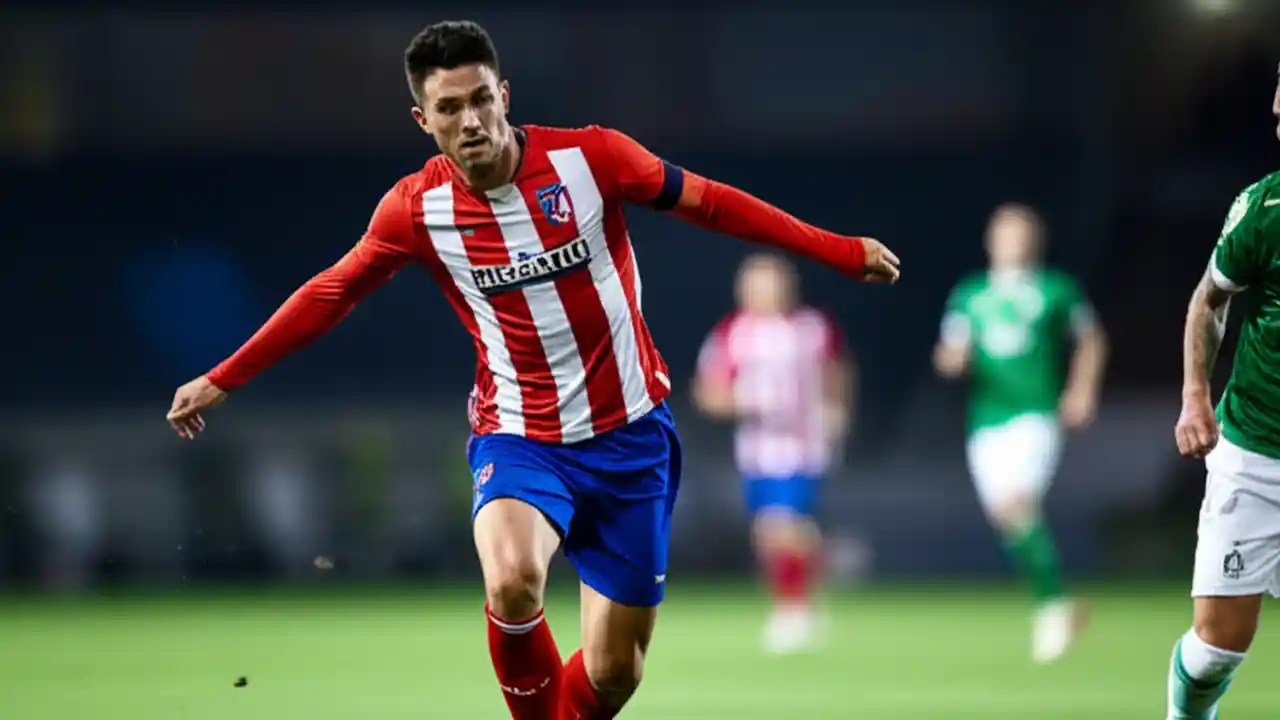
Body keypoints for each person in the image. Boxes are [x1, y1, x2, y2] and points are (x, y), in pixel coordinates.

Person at [165, 20, 900, 720]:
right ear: (423, 121)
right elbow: (330, 293)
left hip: (633, 436)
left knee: (615, 674)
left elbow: (711, 204)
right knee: (513, 579)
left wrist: (836, 249)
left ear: (505, 95)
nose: (471, 120)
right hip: (519, 436)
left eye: (481, 99)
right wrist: (225, 376)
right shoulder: (416, 211)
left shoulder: (593, 160)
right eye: (448, 108)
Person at [933, 202, 1107, 664]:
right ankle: (1059, 606)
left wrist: (1081, 389)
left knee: (1016, 505)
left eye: (1020, 234)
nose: (1012, 242)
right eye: (1004, 233)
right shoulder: (970, 294)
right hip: (986, 419)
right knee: (1010, 519)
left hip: (1036, 414)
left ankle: (1051, 610)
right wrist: (952, 360)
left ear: (1035, 241)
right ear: (991, 240)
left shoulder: (1057, 290)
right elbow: (951, 348)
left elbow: (1091, 339)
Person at [1166, 66, 1280, 720]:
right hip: (1258, 452)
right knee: (1215, 650)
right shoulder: (1264, 209)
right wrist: (1194, 395)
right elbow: (1210, 300)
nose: (1274, 106)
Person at [692, 253, 852, 654]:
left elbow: (837, 371)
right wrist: (740, 402)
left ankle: (795, 610)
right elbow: (707, 392)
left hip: (804, 447)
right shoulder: (732, 333)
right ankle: (803, 591)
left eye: (772, 282)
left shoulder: (811, 327)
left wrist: (838, 412)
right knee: (767, 537)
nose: (764, 291)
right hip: (757, 451)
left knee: (777, 527)